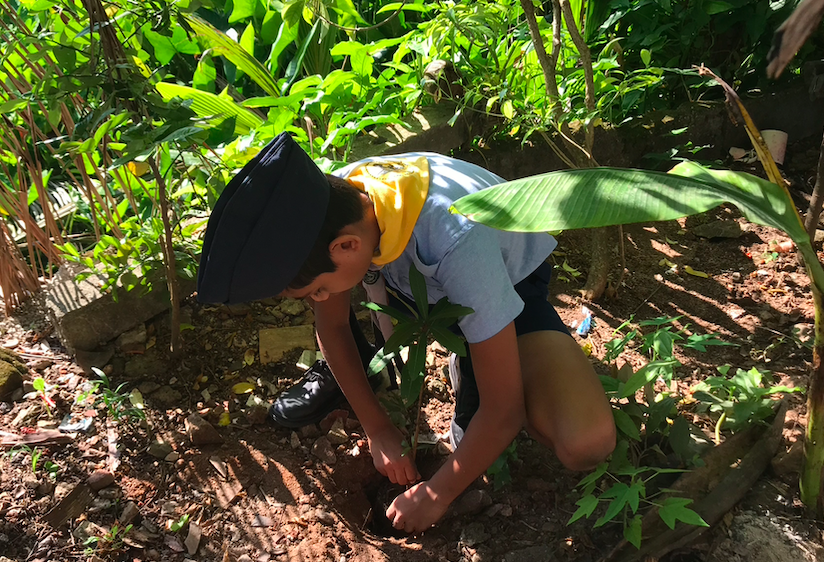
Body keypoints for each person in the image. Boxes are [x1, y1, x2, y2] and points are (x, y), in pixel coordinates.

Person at [196, 132, 616, 533]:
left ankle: (482, 357)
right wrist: (377, 428)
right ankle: (473, 358)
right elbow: (334, 327)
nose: (319, 299)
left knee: (586, 443)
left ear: (347, 247)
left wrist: (436, 494)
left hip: (509, 288)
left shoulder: (457, 238)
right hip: (419, 292)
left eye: (318, 290)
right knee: (485, 404)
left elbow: (503, 411)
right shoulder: (334, 207)